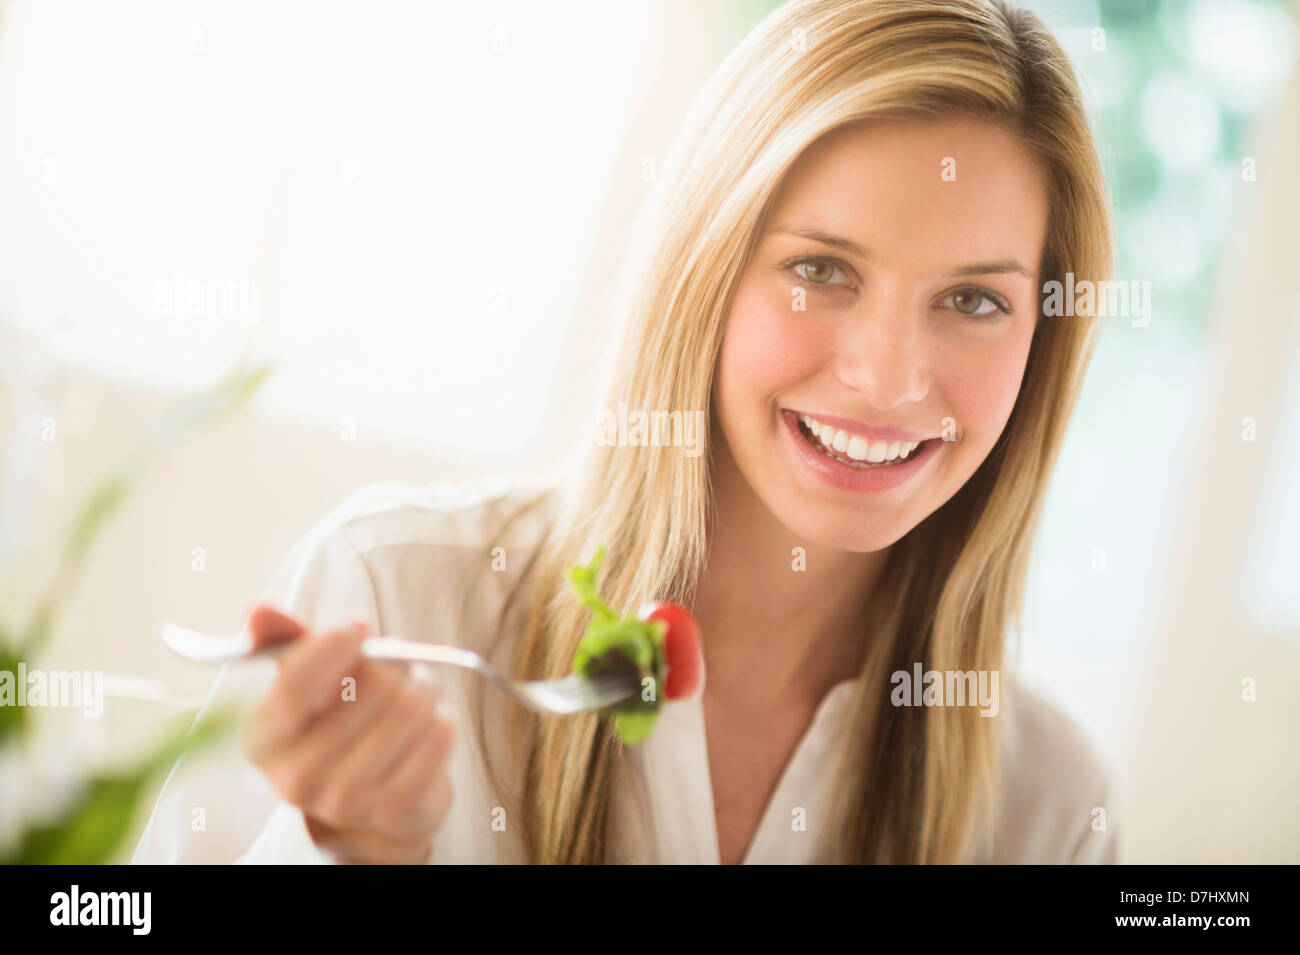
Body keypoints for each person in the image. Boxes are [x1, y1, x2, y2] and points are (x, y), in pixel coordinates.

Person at [133, 0, 1119, 865]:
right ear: (703, 271)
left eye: (973, 300)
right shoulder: (394, 599)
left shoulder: (1051, 805)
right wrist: (350, 856)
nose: (887, 378)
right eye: (820, 270)